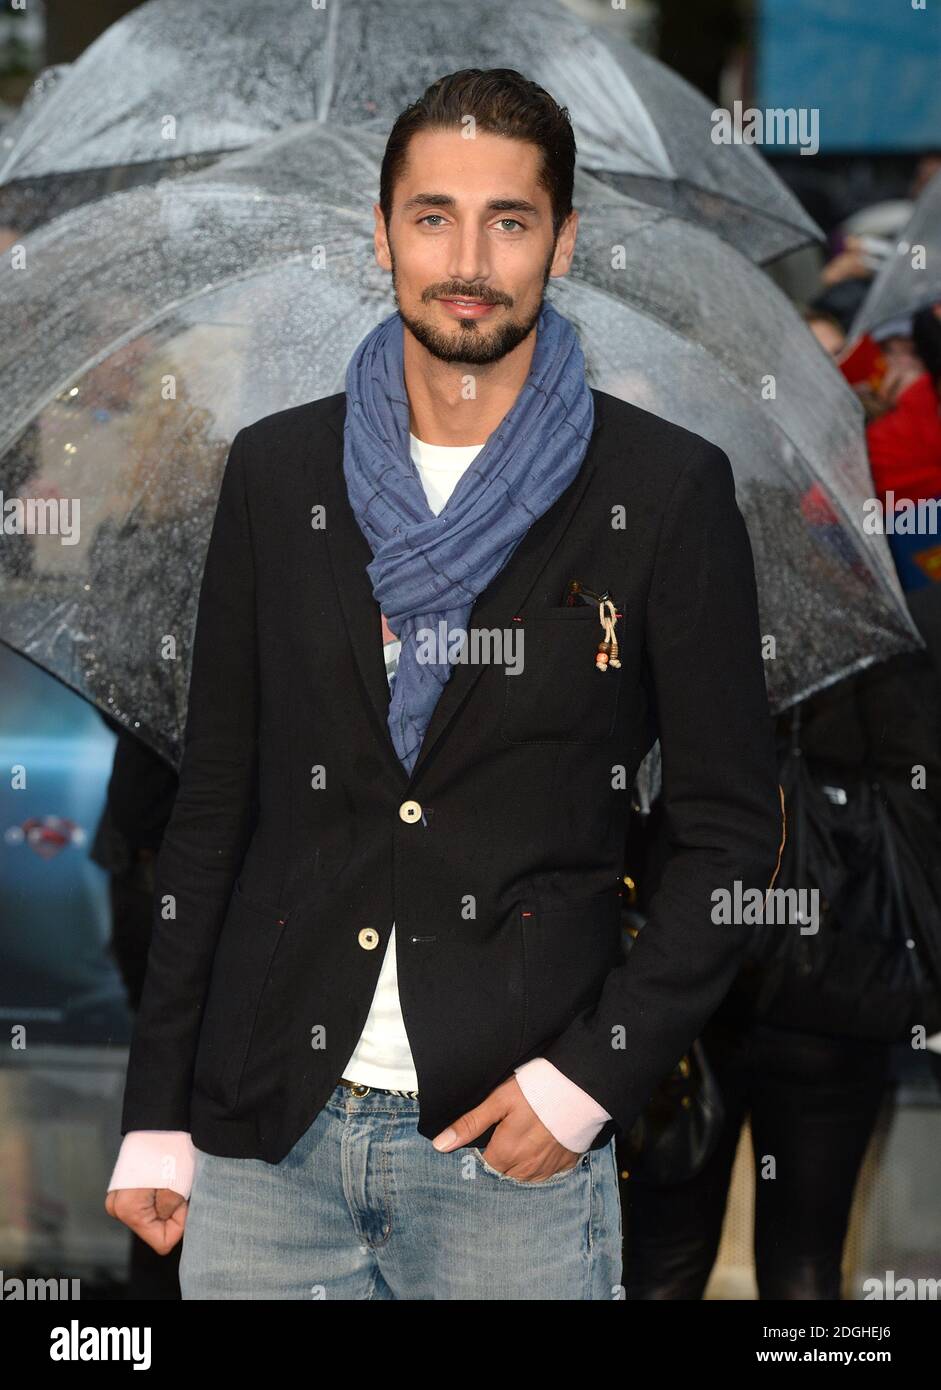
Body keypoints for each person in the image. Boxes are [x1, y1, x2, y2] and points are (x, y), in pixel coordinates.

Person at [104, 67, 784, 1300]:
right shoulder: (275, 473)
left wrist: (587, 1082)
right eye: (432, 216)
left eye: (507, 220)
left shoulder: (664, 493)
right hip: (265, 1142)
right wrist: (156, 1109)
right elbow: (210, 812)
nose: (466, 258)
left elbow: (733, 837)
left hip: (507, 1163)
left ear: (561, 241)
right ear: (381, 233)